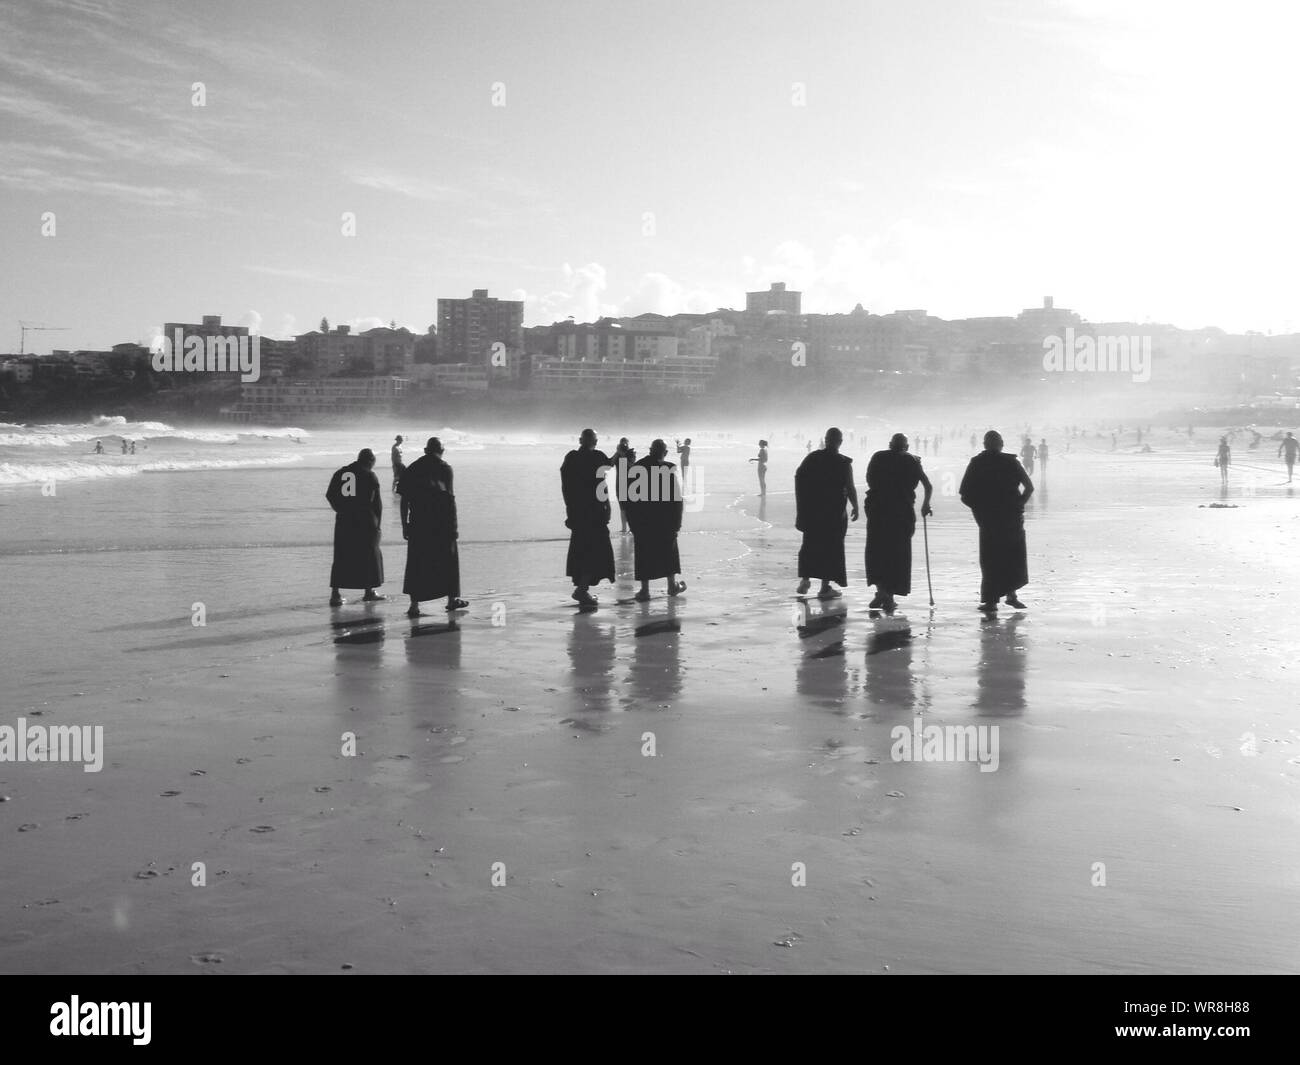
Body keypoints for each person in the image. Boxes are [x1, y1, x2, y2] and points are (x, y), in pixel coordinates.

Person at [960, 430, 1033, 611]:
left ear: (985, 444)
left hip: (989, 519)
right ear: (1001, 444)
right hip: (1011, 518)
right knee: (1012, 555)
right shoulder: (1011, 462)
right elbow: (1029, 488)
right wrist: (1018, 506)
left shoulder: (977, 463)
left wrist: (980, 512)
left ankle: (992, 601)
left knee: (991, 558)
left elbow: (965, 494)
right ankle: (1011, 595)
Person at [398, 437, 466, 617]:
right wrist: (454, 526)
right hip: (442, 522)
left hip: (419, 522)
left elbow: (404, 500)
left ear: (425, 450)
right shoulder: (445, 468)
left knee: (417, 563)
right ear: (441, 451)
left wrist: (404, 525)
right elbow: (450, 499)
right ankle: (451, 601)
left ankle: (414, 605)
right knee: (448, 561)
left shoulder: (413, 468)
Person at [864, 433, 933, 613]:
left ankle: (881, 591)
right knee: (897, 553)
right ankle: (889, 595)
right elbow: (928, 486)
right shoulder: (912, 461)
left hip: (878, 509)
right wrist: (925, 504)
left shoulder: (878, 457)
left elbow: (870, 480)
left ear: (890, 444)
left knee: (877, 550)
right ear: (907, 446)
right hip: (902, 511)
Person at [794, 426, 858, 599]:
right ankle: (824, 587)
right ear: (840, 442)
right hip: (834, 512)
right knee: (832, 548)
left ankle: (805, 580)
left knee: (809, 544)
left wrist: (803, 504)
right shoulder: (843, 462)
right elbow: (850, 486)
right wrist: (855, 506)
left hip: (814, 511)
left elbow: (799, 477)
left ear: (826, 439)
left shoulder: (813, 458)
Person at [561, 428, 616, 607]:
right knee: (597, 550)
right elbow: (608, 466)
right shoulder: (597, 457)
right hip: (595, 512)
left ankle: (582, 588)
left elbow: (566, 487)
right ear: (595, 442)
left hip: (577, 511)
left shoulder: (571, 458)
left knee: (581, 550)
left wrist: (570, 509)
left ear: (580, 440)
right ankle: (582, 590)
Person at [626, 439, 686, 602]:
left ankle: (645, 590)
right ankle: (672, 585)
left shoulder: (638, 467)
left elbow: (629, 497)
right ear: (665, 453)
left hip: (643, 519)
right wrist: (677, 522)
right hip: (665, 519)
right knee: (669, 552)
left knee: (644, 552)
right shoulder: (668, 468)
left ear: (650, 450)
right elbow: (677, 499)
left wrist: (632, 521)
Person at [325, 449, 385, 606]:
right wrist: (378, 524)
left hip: (345, 520)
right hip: (365, 521)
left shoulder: (342, 473)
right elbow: (377, 503)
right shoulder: (369, 475)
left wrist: (340, 509)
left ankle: (335, 595)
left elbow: (330, 495)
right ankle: (369, 591)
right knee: (369, 555)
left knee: (341, 556)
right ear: (370, 460)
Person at [612, 437, 636, 534]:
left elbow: (632, 466)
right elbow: (610, 464)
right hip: (620, 482)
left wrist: (622, 455)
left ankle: (632, 528)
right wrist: (617, 453)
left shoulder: (631, 453)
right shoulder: (617, 455)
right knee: (622, 507)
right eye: (622, 444)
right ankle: (624, 528)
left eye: (625, 444)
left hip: (631, 483)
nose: (624, 445)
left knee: (631, 507)